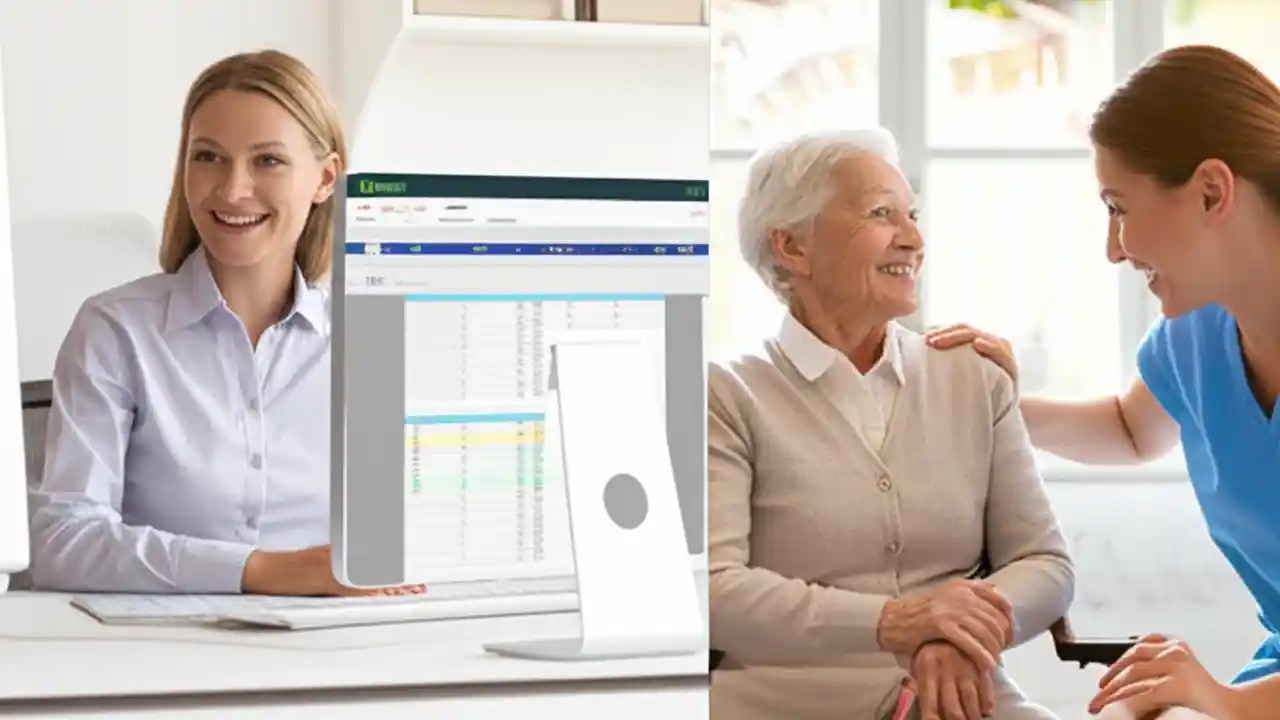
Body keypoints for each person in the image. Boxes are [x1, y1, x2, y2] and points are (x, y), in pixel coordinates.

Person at [926, 44, 1280, 720]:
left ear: (1212, 191)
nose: (1113, 248)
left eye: (1119, 207)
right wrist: (996, 402)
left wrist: (1224, 701)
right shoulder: (1197, 333)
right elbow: (1128, 427)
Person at [707, 127, 1075, 720]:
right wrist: (896, 623)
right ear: (792, 247)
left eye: (913, 214)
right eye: (882, 214)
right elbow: (716, 590)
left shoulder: (975, 377)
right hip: (781, 703)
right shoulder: (727, 391)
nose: (913, 238)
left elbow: (1046, 564)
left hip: (957, 700)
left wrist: (955, 635)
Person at [27, 49, 420, 598]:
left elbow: (426, 530)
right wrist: (262, 572)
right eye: (208, 157)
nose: (233, 189)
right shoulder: (115, 331)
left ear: (326, 179)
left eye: (268, 161)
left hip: (335, 647)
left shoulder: (368, 342)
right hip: (156, 656)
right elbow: (62, 543)